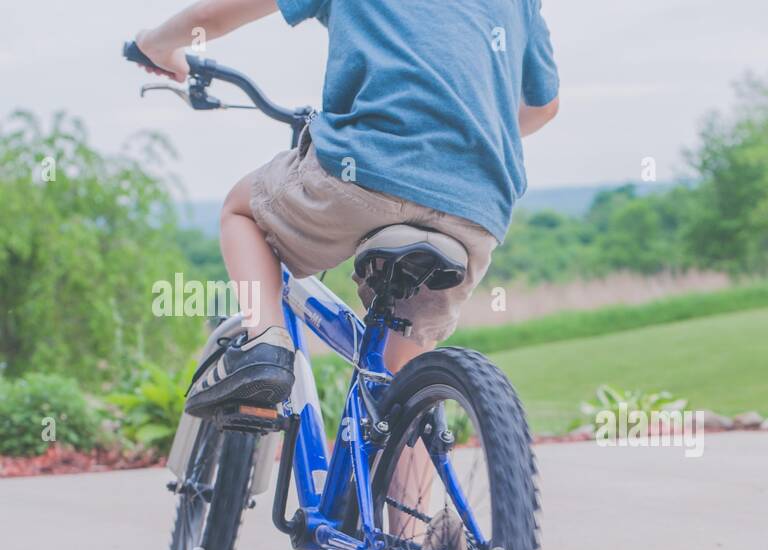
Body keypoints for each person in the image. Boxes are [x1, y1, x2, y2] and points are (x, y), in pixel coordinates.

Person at [132, 0, 560, 416]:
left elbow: (211, 17)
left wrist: (156, 44)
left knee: (241, 210)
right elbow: (543, 107)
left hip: (366, 171)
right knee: (406, 389)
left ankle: (265, 341)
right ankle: (405, 484)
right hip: (475, 205)